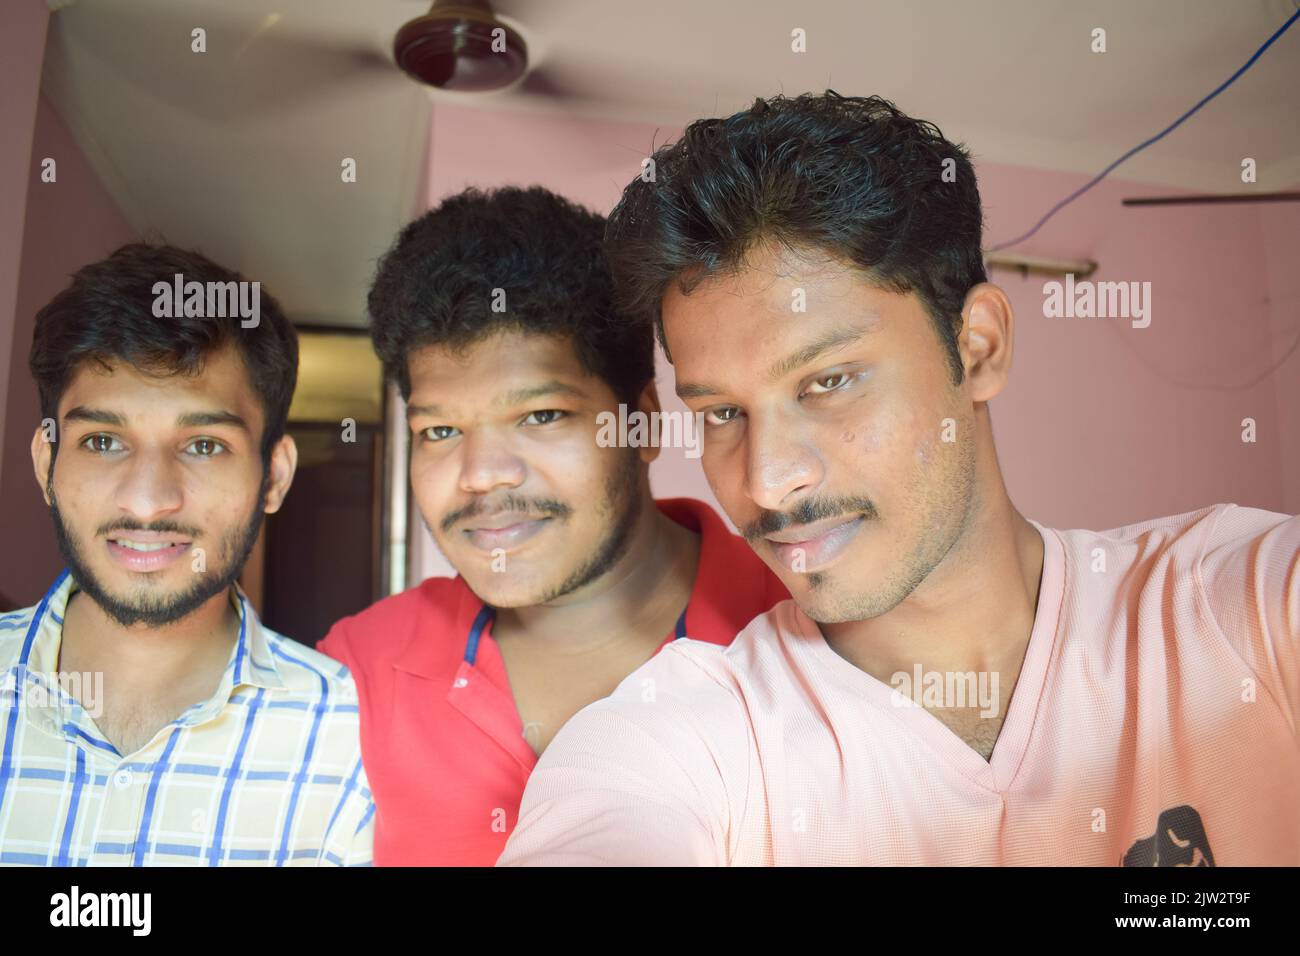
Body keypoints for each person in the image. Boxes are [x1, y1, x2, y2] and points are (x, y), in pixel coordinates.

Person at [497, 92, 1300, 866]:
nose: (770, 481)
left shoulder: (1234, 605)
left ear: (978, 348)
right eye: (721, 413)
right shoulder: (677, 738)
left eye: (829, 381)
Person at [317, 186, 787, 866]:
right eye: (440, 429)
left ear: (642, 422)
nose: (482, 474)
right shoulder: (359, 669)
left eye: (540, 416)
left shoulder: (806, 630)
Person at [0, 243, 374, 866]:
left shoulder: (351, 740)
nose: (148, 503)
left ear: (274, 477)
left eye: (203, 445)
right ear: (47, 465)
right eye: (101, 440)